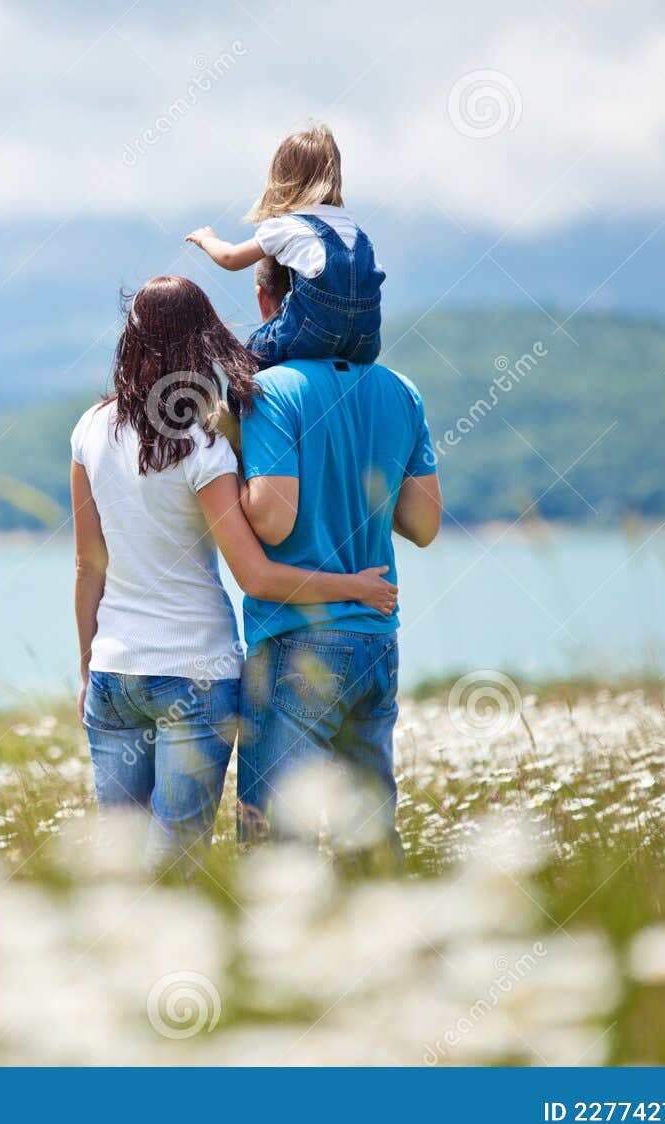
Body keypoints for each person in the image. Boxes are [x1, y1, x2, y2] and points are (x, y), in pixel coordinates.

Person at [70, 275, 398, 868]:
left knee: (116, 863)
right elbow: (257, 576)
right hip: (194, 673)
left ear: (132, 338)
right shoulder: (204, 446)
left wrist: (86, 664)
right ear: (200, 344)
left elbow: (88, 564)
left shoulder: (90, 429)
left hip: (113, 674)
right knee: (178, 865)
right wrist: (356, 587)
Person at [236, 255, 441, 867]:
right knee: (370, 838)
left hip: (296, 640)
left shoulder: (272, 390)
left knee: (277, 843)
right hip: (377, 639)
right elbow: (424, 525)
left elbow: (273, 518)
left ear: (270, 301)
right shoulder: (401, 390)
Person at [183, 121, 385, 369]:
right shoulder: (355, 230)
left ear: (281, 179)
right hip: (365, 341)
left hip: (313, 334)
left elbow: (230, 258)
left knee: (246, 361)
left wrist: (208, 240)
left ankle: (233, 404)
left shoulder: (288, 226)